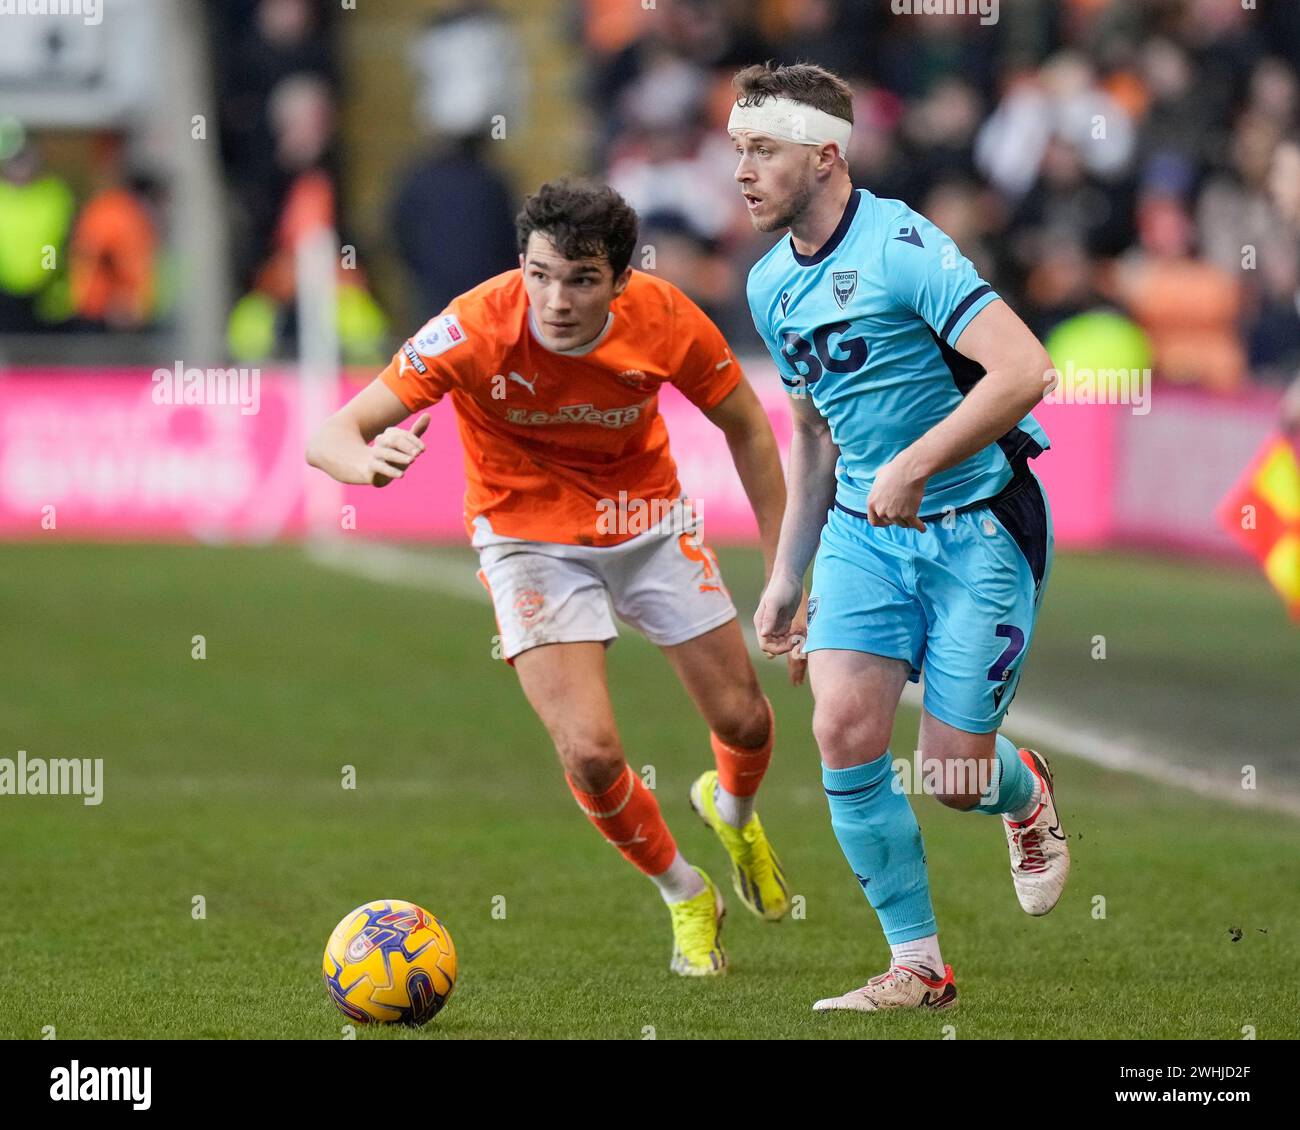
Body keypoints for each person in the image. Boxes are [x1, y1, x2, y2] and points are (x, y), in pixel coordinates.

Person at [307, 179, 804, 976]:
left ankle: (734, 811)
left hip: (647, 523)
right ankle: (684, 892)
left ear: (620, 280)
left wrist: (787, 569)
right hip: (525, 538)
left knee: (745, 720)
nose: (557, 298)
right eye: (540, 274)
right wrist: (364, 463)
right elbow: (331, 433)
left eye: (581, 279)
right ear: (521, 264)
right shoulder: (472, 326)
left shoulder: (667, 319)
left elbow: (747, 424)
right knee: (591, 751)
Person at [730, 62, 1069, 1012]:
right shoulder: (767, 286)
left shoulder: (906, 245)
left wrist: (915, 465)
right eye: (737, 152)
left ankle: (1022, 790)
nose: (744, 172)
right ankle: (918, 967)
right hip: (860, 535)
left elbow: (1024, 370)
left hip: (977, 521)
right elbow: (812, 435)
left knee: (954, 775)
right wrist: (787, 575)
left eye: (764, 150)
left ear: (826, 155)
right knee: (841, 729)